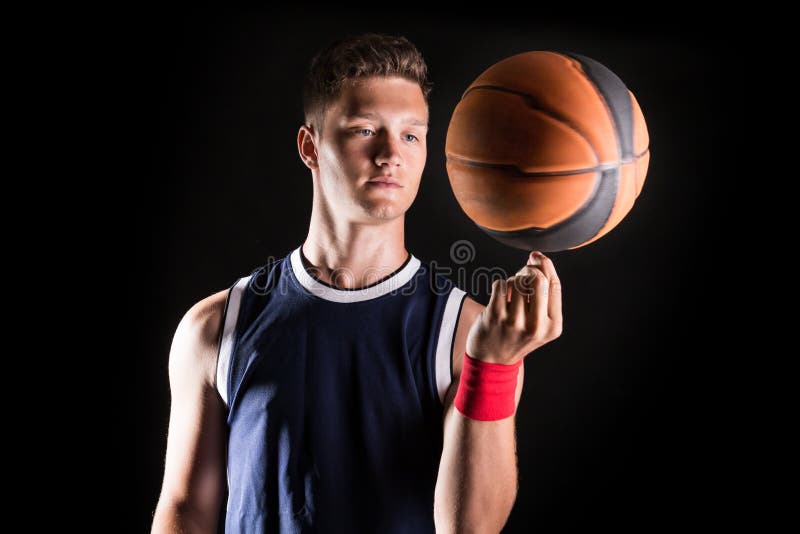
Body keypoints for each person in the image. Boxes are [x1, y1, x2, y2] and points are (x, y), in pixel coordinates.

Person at [151, 32, 563, 533]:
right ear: (310, 146)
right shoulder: (216, 328)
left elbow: (470, 528)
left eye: (411, 135)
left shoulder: (468, 334)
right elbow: (185, 511)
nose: (392, 153)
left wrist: (494, 365)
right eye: (365, 130)